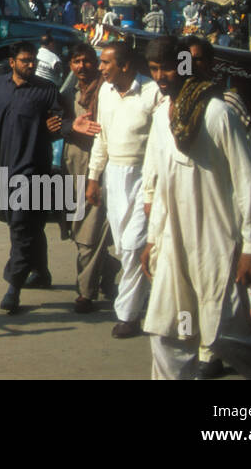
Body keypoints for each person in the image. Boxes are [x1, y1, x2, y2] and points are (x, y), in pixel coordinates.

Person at [139, 36, 251, 380]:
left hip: (216, 243)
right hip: (173, 242)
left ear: (183, 65)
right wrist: (153, 239)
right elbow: (158, 181)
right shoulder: (159, 119)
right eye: (153, 68)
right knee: (167, 332)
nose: (160, 75)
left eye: (167, 67)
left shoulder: (218, 113)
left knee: (227, 336)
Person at [0, 41, 63, 314]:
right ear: (12, 63)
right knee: (19, 223)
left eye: (32, 61)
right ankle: (41, 271)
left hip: (34, 171)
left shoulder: (46, 91)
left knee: (21, 228)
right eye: (24, 61)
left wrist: (55, 125)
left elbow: (60, 122)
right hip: (4, 170)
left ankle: (14, 286)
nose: (30, 65)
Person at [84, 40, 161, 338]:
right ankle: (157, 302)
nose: (100, 68)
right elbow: (100, 138)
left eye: (106, 63)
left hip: (145, 177)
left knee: (132, 248)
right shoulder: (105, 91)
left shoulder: (151, 93)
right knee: (124, 246)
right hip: (114, 177)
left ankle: (128, 316)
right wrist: (94, 177)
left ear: (125, 66)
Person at [59, 43, 118, 313]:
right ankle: (109, 267)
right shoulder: (67, 92)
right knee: (77, 230)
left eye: (87, 61)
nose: (81, 66)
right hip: (72, 167)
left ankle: (85, 293)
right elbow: (54, 122)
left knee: (88, 234)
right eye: (76, 61)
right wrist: (68, 126)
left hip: (97, 169)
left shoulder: (108, 92)